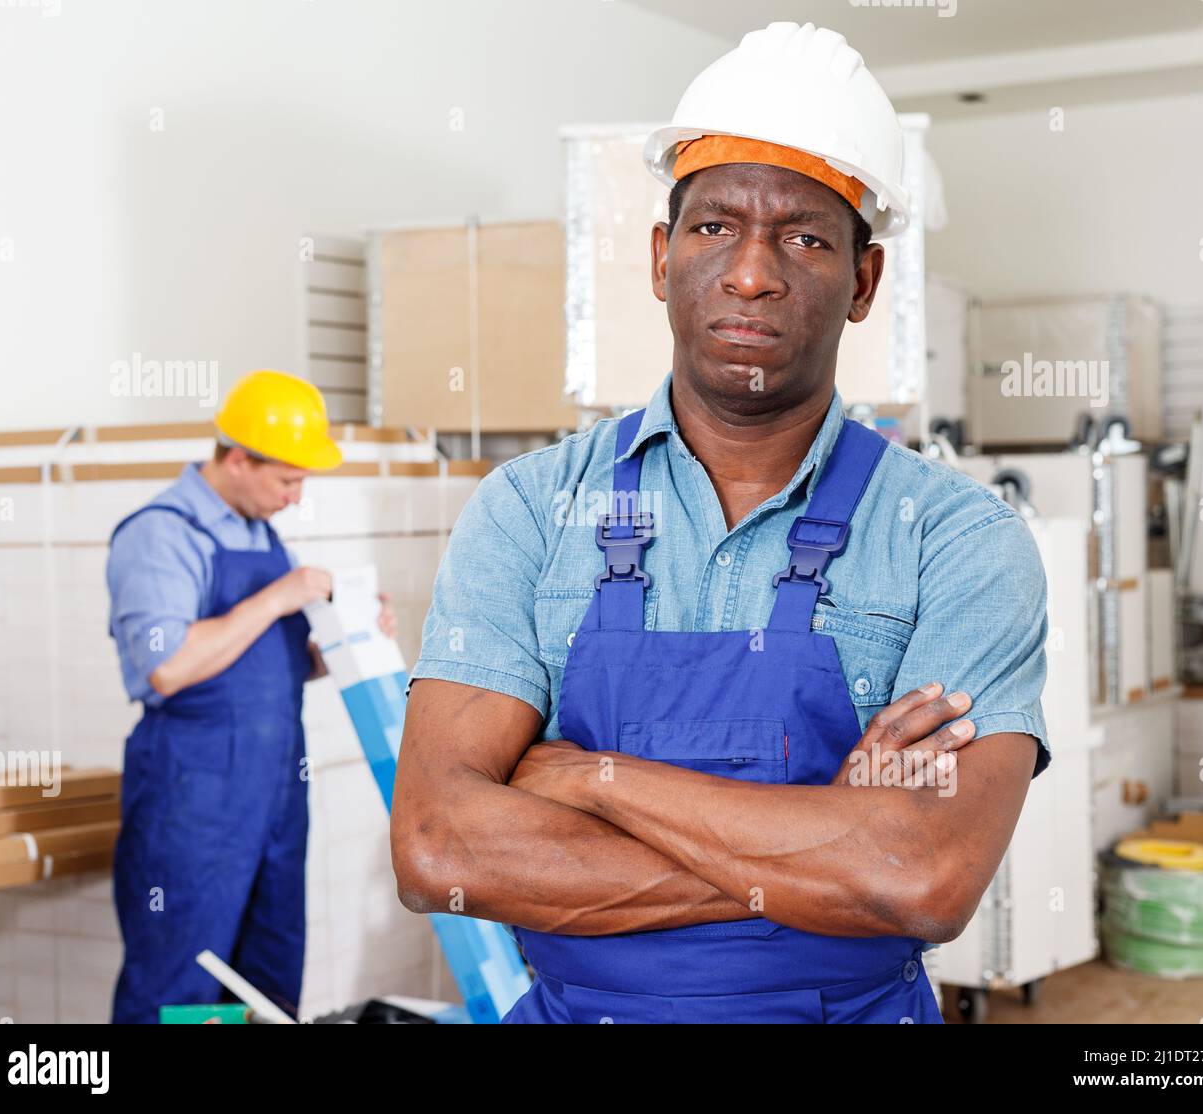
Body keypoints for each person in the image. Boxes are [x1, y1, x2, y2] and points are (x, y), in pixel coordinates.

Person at [393, 22, 1049, 1023]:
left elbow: (926, 878)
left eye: (803, 236)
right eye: (712, 229)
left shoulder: (957, 539)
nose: (751, 273)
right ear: (660, 258)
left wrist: (592, 779)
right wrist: (831, 837)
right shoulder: (529, 508)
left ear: (863, 281)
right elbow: (439, 848)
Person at [107, 369, 395, 1023]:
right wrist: (278, 597)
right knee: (178, 986)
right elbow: (169, 666)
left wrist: (345, 638)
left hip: (273, 801)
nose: (295, 499)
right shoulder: (160, 534)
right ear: (237, 459)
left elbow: (269, 662)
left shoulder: (259, 534)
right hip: (192, 806)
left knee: (262, 986)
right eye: (287, 480)